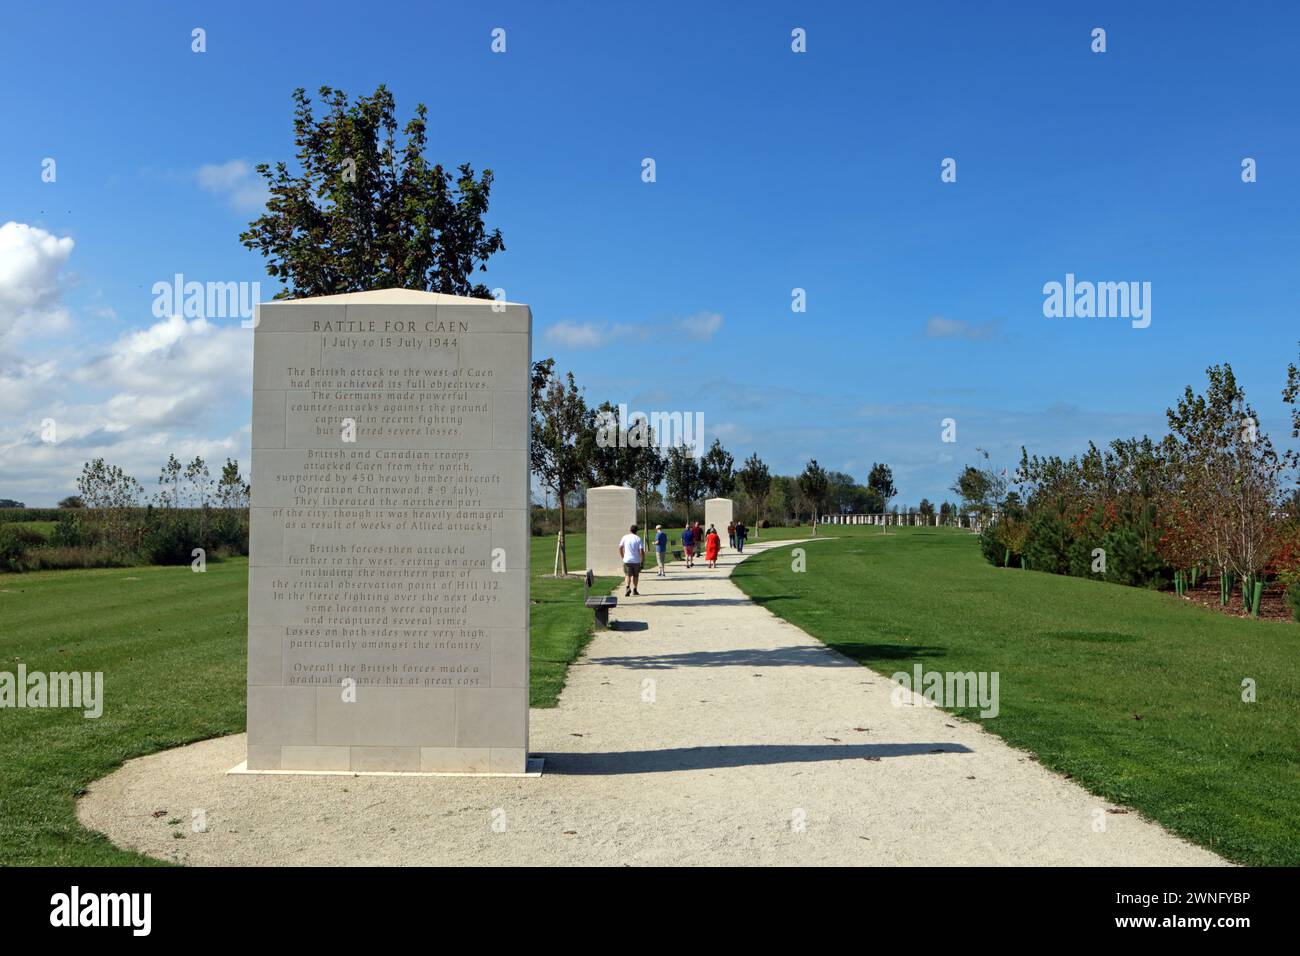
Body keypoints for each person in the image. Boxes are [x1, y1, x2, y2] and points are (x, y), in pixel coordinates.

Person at [618, 524, 645, 596]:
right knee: (636, 576)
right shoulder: (638, 538)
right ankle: (635, 589)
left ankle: (627, 587)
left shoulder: (625, 537)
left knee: (627, 575)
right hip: (636, 560)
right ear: (636, 531)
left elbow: (620, 547)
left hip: (627, 560)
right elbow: (641, 551)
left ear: (630, 530)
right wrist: (642, 561)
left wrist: (623, 557)